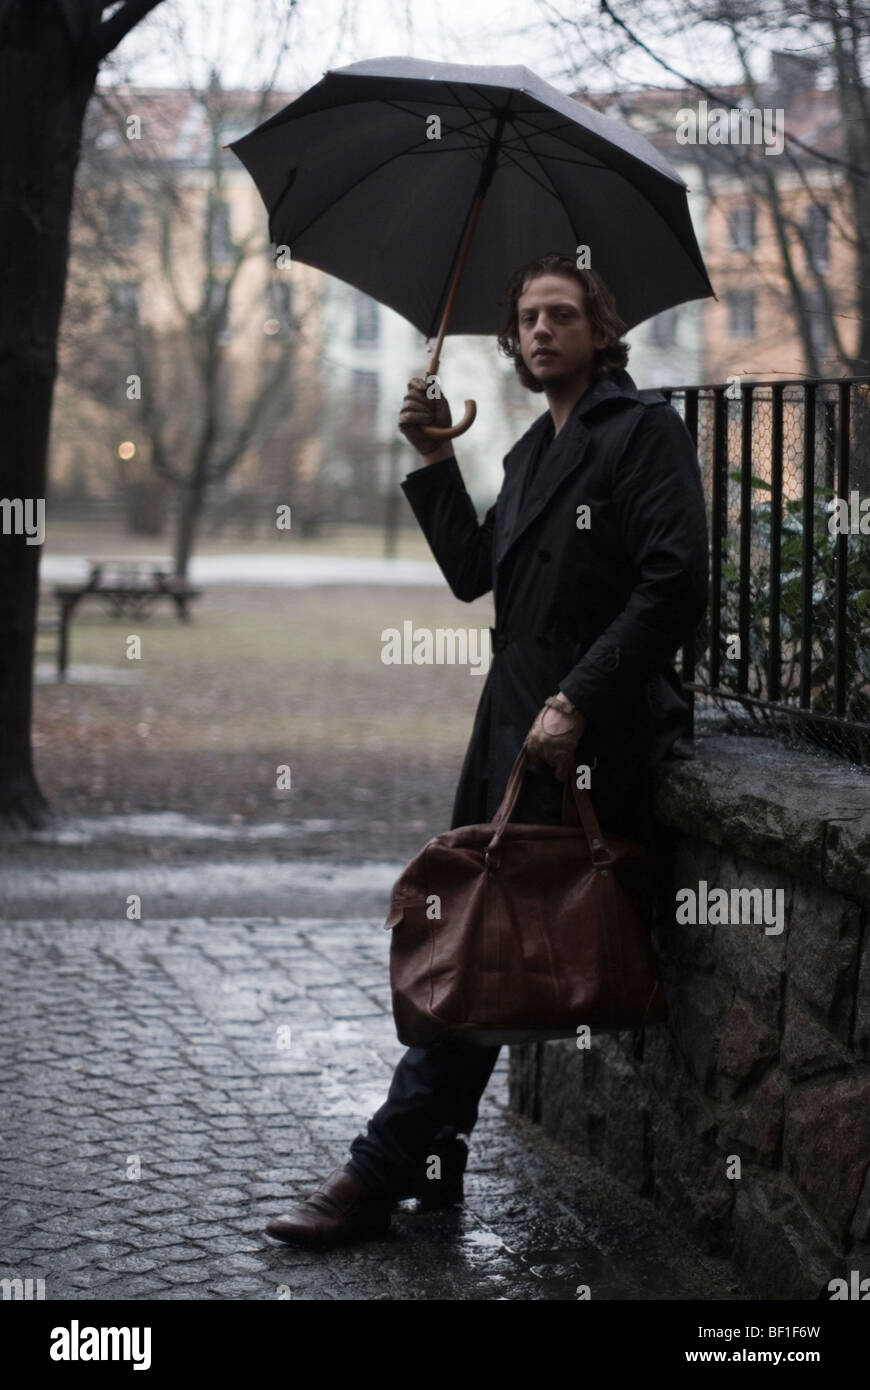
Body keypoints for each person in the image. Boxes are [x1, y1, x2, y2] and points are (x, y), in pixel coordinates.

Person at [265, 254, 709, 1249]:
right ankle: (437, 1162)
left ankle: (378, 1172)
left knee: (475, 940)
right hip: (510, 737)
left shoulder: (641, 433)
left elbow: (674, 585)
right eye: (527, 318)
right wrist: (432, 457)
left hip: (585, 744)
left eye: (563, 314)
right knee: (480, 930)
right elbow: (475, 572)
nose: (543, 330)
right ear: (511, 340)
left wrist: (579, 701)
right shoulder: (529, 455)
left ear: (601, 330)